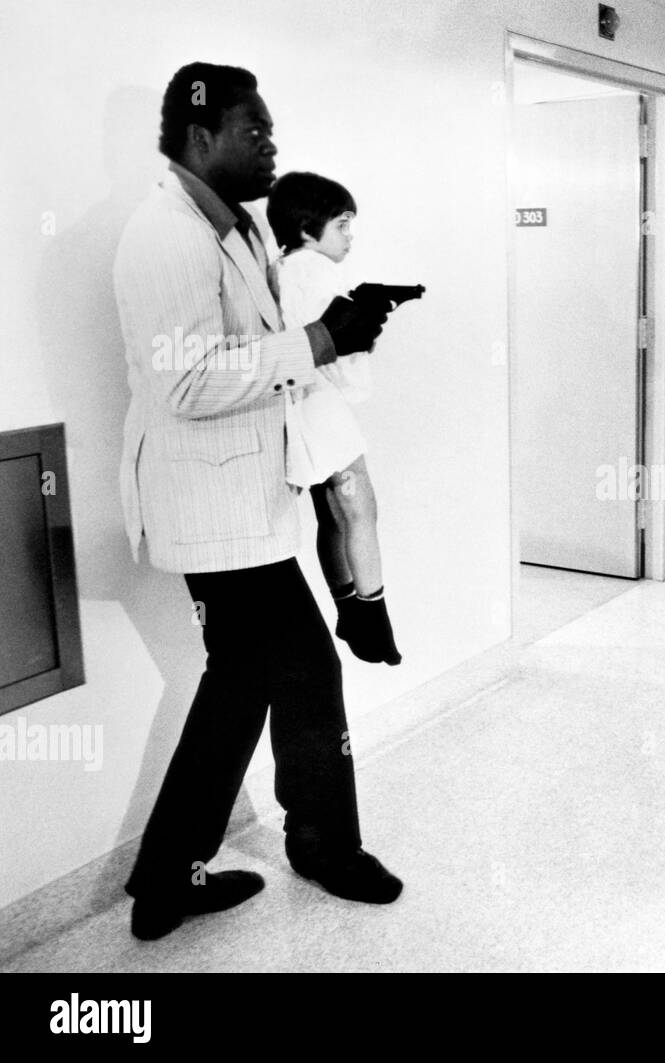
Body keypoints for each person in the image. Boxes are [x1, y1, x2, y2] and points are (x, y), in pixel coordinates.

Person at [115, 62, 402, 940]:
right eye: (254, 130)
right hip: (214, 512)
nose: (270, 143)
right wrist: (318, 340)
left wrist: (332, 325)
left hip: (243, 502)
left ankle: (168, 876)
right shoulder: (167, 237)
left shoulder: (232, 228)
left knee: (242, 686)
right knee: (303, 671)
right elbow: (189, 382)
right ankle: (322, 843)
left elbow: (257, 347)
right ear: (201, 139)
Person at [267, 171, 401, 666]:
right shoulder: (317, 270)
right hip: (320, 403)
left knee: (332, 513)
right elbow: (341, 366)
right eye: (343, 224)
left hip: (292, 402)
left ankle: (349, 606)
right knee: (359, 507)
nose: (350, 236)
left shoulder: (280, 268)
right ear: (308, 229)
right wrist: (366, 338)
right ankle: (372, 615)